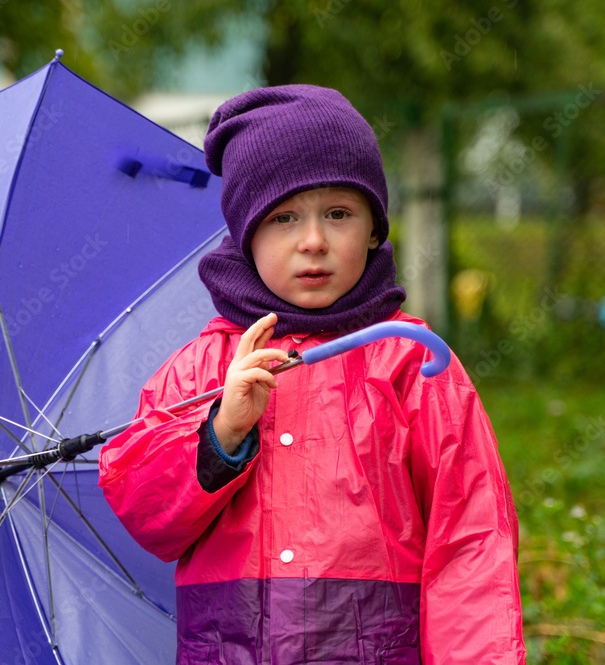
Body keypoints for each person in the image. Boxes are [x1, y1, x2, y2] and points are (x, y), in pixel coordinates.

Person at [99, 85, 525, 664]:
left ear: (374, 228)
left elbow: (470, 540)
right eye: (283, 217)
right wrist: (220, 434)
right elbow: (148, 513)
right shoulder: (203, 370)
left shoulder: (410, 364)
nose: (314, 241)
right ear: (246, 236)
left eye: (339, 213)